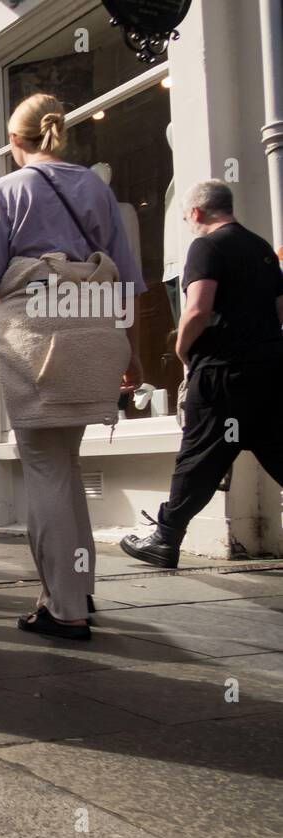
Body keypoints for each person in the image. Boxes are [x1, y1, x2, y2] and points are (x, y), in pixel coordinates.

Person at [0, 93, 144, 640]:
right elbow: (127, 277)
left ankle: (64, 607)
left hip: (36, 328)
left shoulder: (9, 188)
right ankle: (77, 589)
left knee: (44, 465)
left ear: (15, 142)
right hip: (92, 324)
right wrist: (132, 351)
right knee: (64, 461)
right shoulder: (95, 185)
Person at [121, 181, 283, 568]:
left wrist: (182, 350)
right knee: (277, 448)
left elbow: (197, 308)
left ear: (196, 213)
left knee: (200, 456)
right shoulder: (261, 248)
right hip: (268, 370)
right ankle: (167, 532)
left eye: (185, 216)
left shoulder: (206, 246)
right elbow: (281, 311)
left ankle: (165, 537)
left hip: (221, 373)